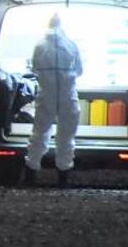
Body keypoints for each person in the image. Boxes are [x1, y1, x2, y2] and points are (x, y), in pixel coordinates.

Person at [24, 13, 83, 187]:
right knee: (66, 136)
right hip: (67, 95)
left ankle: (31, 173)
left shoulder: (40, 46)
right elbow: (79, 70)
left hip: (46, 95)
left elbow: (34, 68)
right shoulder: (71, 45)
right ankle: (63, 177)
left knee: (39, 134)